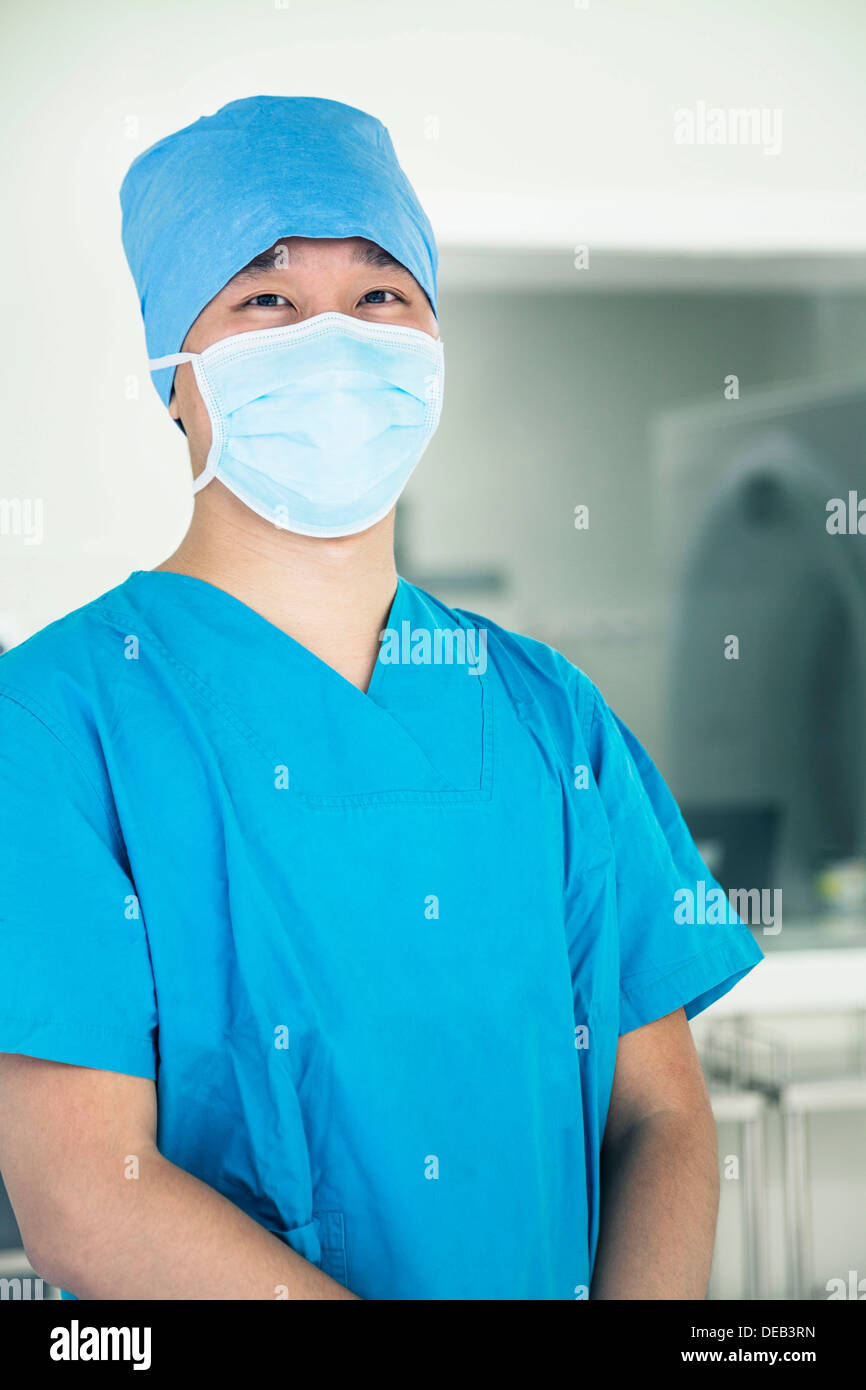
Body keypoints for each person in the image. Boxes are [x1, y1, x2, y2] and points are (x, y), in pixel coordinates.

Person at [0, 95, 762, 1301]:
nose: (335, 341)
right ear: (173, 377)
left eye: (379, 294)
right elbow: (88, 1196)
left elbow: (659, 1115)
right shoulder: (53, 725)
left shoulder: (547, 715)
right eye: (265, 299)